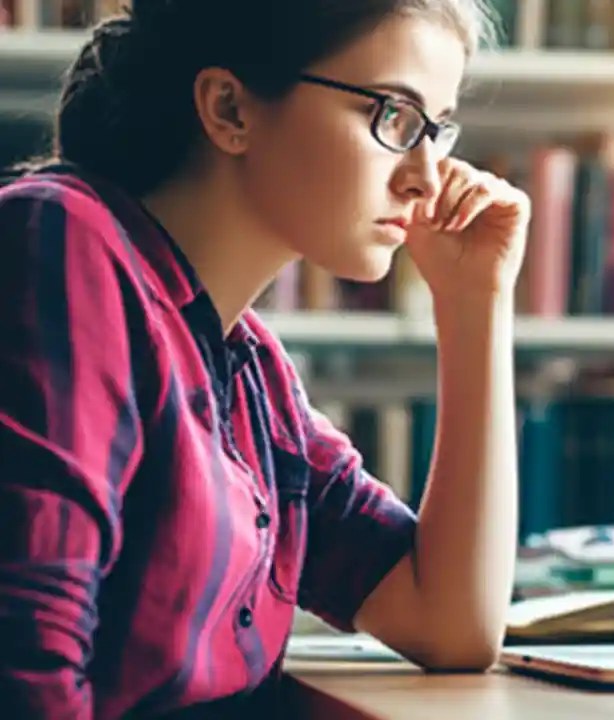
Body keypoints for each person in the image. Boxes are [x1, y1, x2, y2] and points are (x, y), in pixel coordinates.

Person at [0, 1, 527, 717]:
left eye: (437, 129)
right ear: (229, 109)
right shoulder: (61, 240)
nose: (427, 180)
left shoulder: (253, 374)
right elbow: (25, 668)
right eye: (394, 117)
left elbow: (450, 623)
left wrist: (476, 302)